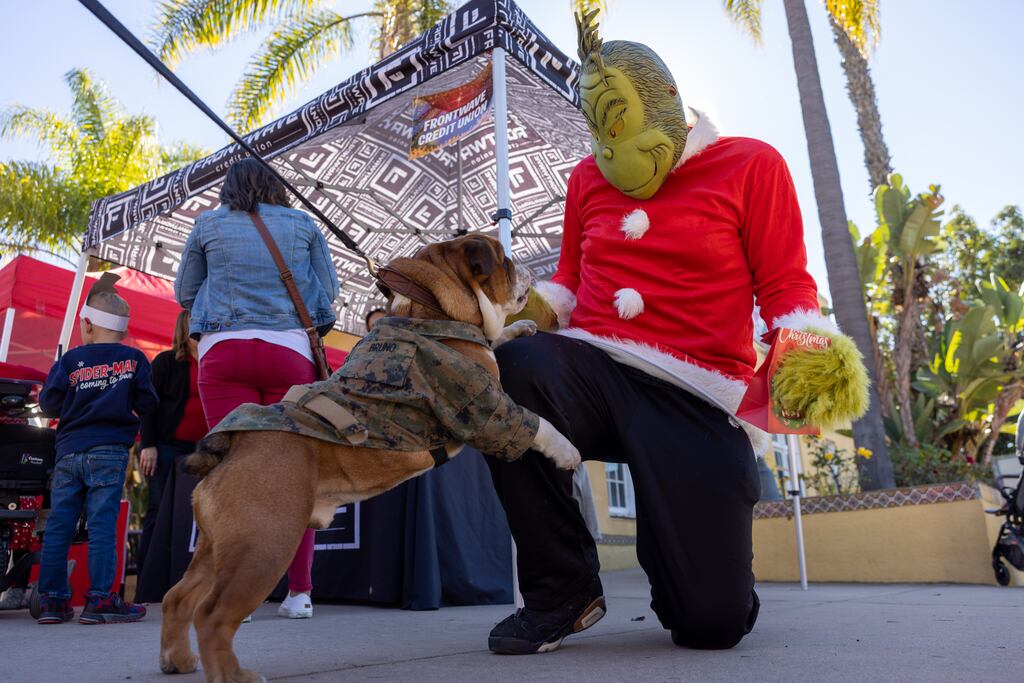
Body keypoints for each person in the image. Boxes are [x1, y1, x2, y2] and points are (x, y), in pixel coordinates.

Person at [486, 12, 868, 654]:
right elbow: (571, 283)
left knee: (710, 626)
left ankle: (685, 555)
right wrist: (516, 324)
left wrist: (805, 360)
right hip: (596, 367)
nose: (611, 155)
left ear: (667, 106)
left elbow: (783, 283)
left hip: (698, 391)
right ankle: (563, 589)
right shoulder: (585, 178)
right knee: (512, 369)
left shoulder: (751, 163)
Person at [175, 158, 340, 619]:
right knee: (295, 476)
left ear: (230, 189)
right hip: (290, 354)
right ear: (275, 186)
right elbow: (328, 291)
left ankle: (237, 597)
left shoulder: (207, 224)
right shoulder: (302, 224)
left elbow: (185, 292)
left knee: (232, 474)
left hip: (223, 354)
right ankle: (300, 593)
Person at [36, 275, 158, 624]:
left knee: (59, 524)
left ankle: (52, 601)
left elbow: (48, 405)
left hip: (69, 452)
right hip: (109, 451)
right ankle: (101, 600)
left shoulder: (71, 361)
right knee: (103, 525)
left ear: (87, 324)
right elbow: (148, 403)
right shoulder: (135, 359)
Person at [136, 310, 205, 577]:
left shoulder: (216, 362)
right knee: (159, 509)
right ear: (185, 327)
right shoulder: (165, 362)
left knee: (199, 514)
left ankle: (188, 576)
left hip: (206, 451)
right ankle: (149, 579)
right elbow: (147, 406)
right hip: (166, 447)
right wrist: (148, 444)